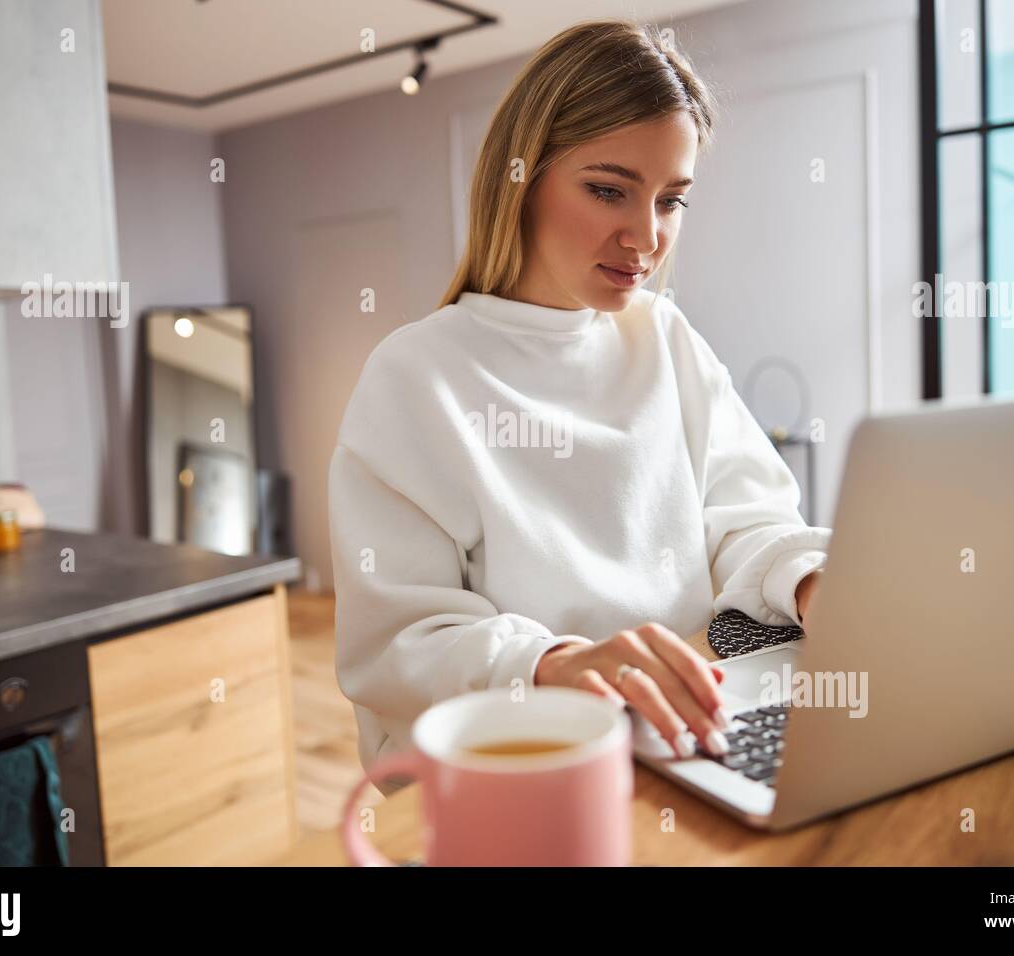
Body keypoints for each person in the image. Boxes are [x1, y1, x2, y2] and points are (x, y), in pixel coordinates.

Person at [329, 19, 830, 792]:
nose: (646, 237)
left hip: (686, 730)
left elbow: (747, 518)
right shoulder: (416, 376)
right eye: (608, 190)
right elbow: (399, 645)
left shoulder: (664, 339)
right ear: (519, 178)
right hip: (525, 769)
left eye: (671, 201)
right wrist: (560, 665)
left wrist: (810, 580)